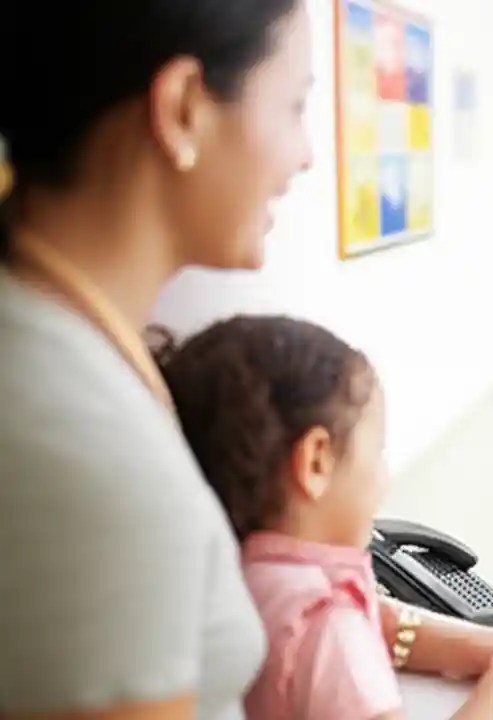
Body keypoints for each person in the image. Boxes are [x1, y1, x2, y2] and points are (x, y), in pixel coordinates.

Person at [0, 1, 315, 717]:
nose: (306, 155)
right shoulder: (89, 451)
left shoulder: (57, 340)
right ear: (181, 110)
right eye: (294, 106)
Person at [154, 315, 493, 719]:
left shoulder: (235, 575)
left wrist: (490, 645)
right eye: (378, 451)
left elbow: (381, 623)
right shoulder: (329, 628)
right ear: (316, 463)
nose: (384, 476)